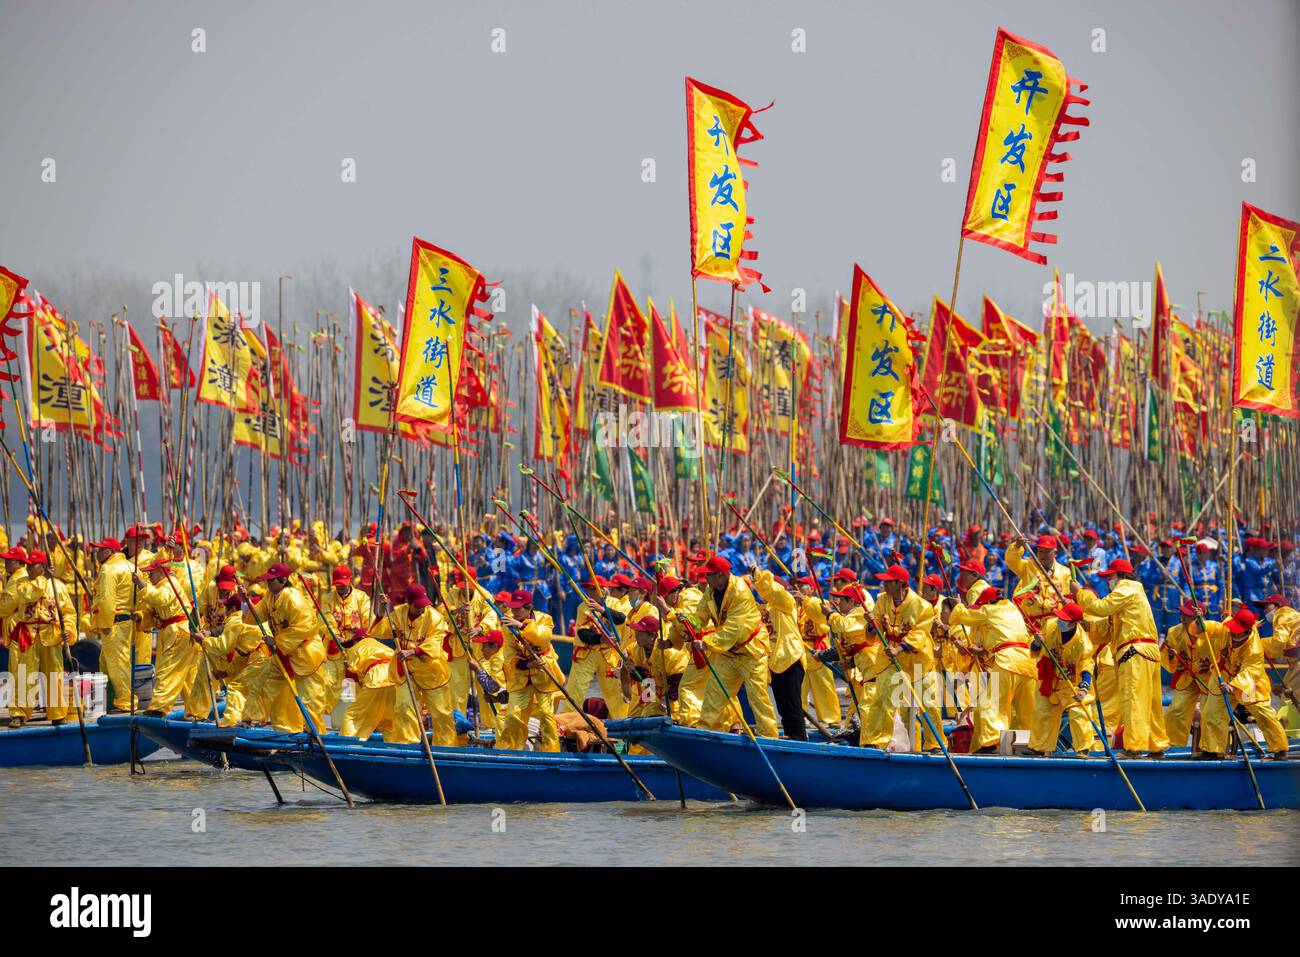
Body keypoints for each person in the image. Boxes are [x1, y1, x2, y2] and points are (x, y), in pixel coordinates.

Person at [1071, 557, 1169, 757]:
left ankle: (1133, 748)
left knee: (1133, 700)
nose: (1108, 581)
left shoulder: (1126, 588)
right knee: (1151, 703)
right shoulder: (1131, 596)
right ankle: (1157, 746)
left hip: (1134, 651)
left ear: (1121, 576)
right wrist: (1089, 627)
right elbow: (1108, 630)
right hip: (1146, 652)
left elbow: (1100, 608)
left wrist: (1079, 593)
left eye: (1110, 577)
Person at [689, 556, 780, 737]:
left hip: (751, 650)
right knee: (714, 691)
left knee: (757, 696)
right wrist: (686, 623)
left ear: (721, 575)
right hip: (729, 652)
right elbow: (700, 615)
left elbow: (733, 630)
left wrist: (706, 643)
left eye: (709, 575)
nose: (705, 579)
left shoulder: (740, 592)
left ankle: (769, 736)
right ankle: (705, 731)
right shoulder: (711, 590)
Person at [947, 585, 1035, 753]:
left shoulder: (989, 610)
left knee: (992, 704)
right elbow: (1002, 637)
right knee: (1025, 709)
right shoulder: (1013, 611)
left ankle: (990, 744)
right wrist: (981, 651)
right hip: (1027, 663)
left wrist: (958, 604)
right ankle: (1029, 747)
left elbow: (961, 616)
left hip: (1006, 661)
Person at [1198, 608, 1289, 760]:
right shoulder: (1227, 627)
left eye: (1238, 631)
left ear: (1247, 632)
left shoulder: (1254, 648)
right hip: (1223, 676)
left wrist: (1233, 687)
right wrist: (1200, 620)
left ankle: (1279, 749)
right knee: (1212, 712)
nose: (1233, 633)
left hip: (1248, 683)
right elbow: (1210, 628)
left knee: (1263, 713)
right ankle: (1212, 750)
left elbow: (1250, 671)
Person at [371, 584, 455, 746]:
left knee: (442, 713)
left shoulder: (435, 618)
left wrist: (413, 651)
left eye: (424, 605)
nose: (422, 609)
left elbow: (436, 642)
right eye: (418, 605)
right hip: (406, 669)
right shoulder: (399, 613)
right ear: (408, 602)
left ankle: (446, 747)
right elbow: (379, 631)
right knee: (403, 707)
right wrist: (382, 610)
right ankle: (407, 744)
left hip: (432, 670)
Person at [871, 563, 941, 752]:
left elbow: (919, 634)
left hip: (918, 660)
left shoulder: (922, 606)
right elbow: (874, 625)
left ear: (900, 583)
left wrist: (900, 648)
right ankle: (878, 741)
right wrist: (872, 624)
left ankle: (934, 745)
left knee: (928, 704)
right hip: (890, 659)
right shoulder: (881, 599)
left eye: (888, 582)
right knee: (883, 696)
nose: (884, 585)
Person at [253, 563, 329, 734]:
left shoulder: (294, 599)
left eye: (271, 581)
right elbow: (255, 617)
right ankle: (255, 721)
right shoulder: (270, 597)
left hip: (306, 655)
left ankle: (317, 736)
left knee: (310, 702)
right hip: (283, 652)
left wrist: (276, 641)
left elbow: (305, 627)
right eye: (268, 581)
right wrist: (247, 603)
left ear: (283, 580)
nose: (268, 584)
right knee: (264, 684)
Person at [134, 557, 211, 720]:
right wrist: (141, 616)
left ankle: (158, 708)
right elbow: (155, 610)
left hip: (179, 632)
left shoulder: (170, 584)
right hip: (176, 632)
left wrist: (142, 585)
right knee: (187, 676)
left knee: (168, 669)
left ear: (162, 573)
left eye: (152, 574)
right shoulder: (162, 585)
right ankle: (196, 711)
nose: (149, 577)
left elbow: (160, 599)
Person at [1026, 602, 1099, 756]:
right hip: (1049, 678)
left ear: (1074, 623)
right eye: (1060, 618)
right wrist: (1037, 643)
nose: (1060, 621)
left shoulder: (1083, 644)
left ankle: (1083, 749)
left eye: (1064, 620)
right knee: (1042, 711)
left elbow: (1087, 666)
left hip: (1070, 683)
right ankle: (1038, 747)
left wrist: (1084, 689)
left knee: (1078, 712)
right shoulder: (1051, 625)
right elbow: (1035, 649)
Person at [497, 588, 561, 751]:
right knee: (512, 715)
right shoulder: (507, 627)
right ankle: (513, 749)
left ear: (529, 607)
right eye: (513, 608)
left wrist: (522, 626)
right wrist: (527, 665)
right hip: (522, 674)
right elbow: (509, 656)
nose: (514, 612)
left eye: (518, 609)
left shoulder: (545, 619)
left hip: (543, 671)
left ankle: (551, 751)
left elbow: (543, 638)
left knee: (547, 715)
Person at [86, 536, 139, 713]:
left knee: (117, 663)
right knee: (111, 661)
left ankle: (125, 701)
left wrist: (105, 623)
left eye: (101, 549)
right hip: (126, 620)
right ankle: (110, 699)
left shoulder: (108, 569)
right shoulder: (130, 566)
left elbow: (107, 600)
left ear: (111, 551)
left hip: (114, 622)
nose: (98, 553)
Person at [752, 567, 806, 740]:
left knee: (792, 704)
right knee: (782, 704)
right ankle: (791, 735)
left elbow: (773, 592)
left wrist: (759, 576)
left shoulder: (786, 602)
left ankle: (798, 737)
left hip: (789, 657)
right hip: (774, 661)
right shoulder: (766, 608)